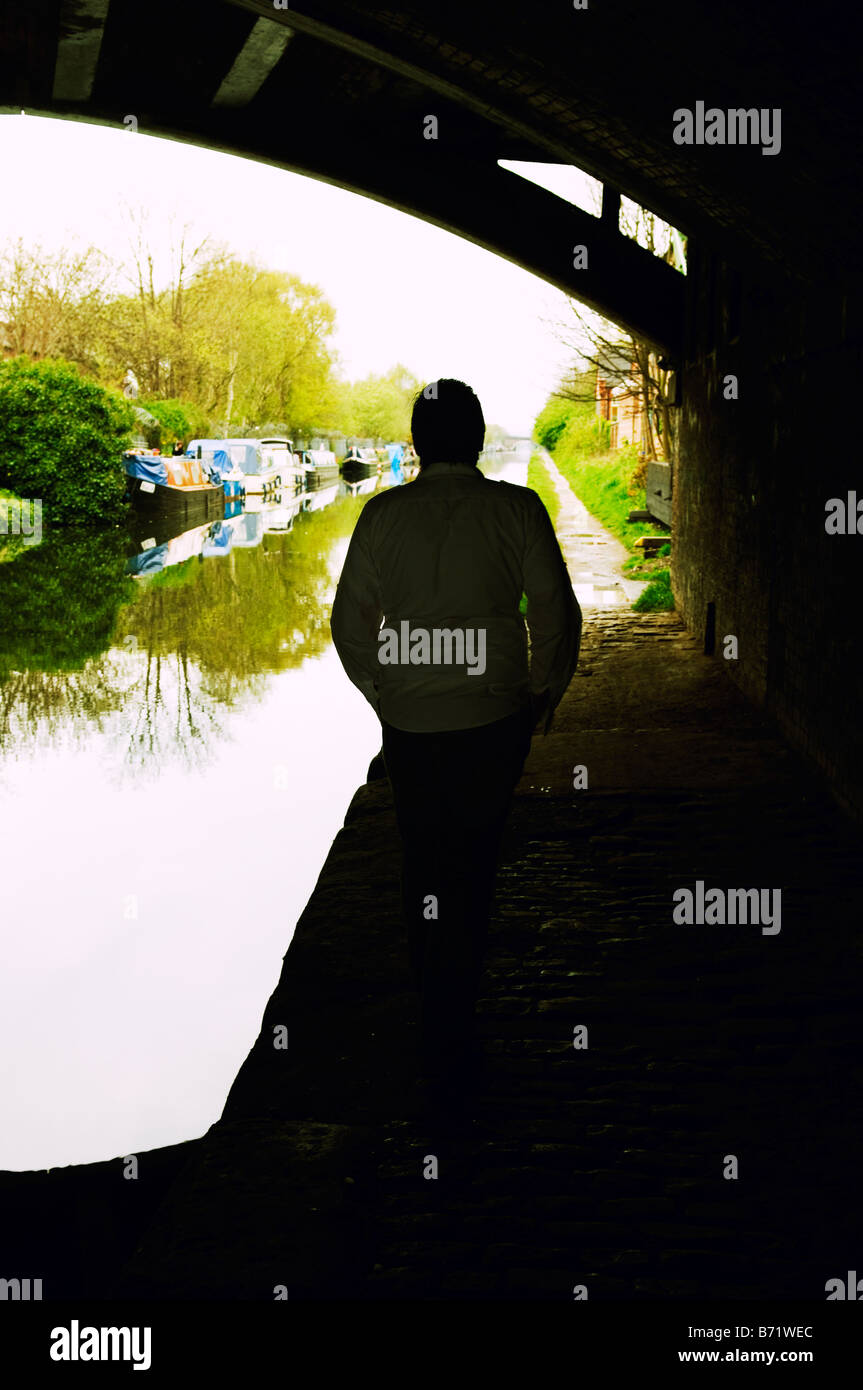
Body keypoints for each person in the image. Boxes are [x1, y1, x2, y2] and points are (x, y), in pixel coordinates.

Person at [331, 379, 582, 1119]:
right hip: (493, 718)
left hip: (412, 726)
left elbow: (350, 625)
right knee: (476, 853)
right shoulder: (516, 510)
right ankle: (463, 994)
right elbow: (557, 613)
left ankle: (433, 998)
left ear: (415, 443)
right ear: (475, 438)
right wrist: (542, 693)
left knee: (422, 856)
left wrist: (385, 691)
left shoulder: (380, 516)